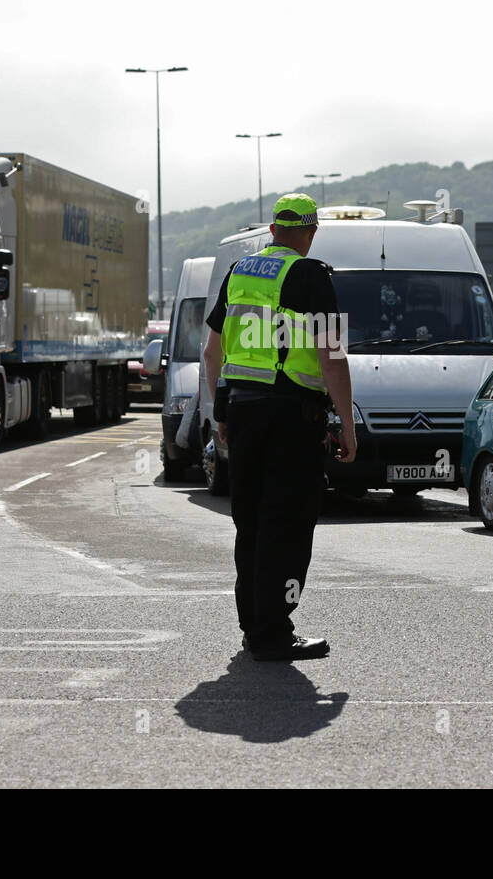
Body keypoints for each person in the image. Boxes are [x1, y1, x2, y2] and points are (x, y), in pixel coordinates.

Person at [202, 193, 356, 661]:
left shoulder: (239, 273)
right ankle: (274, 631)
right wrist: (348, 427)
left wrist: (221, 413)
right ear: (310, 233)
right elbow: (331, 356)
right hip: (291, 418)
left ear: (273, 230)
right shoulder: (310, 275)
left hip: (244, 415)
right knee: (287, 525)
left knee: (249, 522)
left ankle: (254, 624)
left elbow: (211, 352)